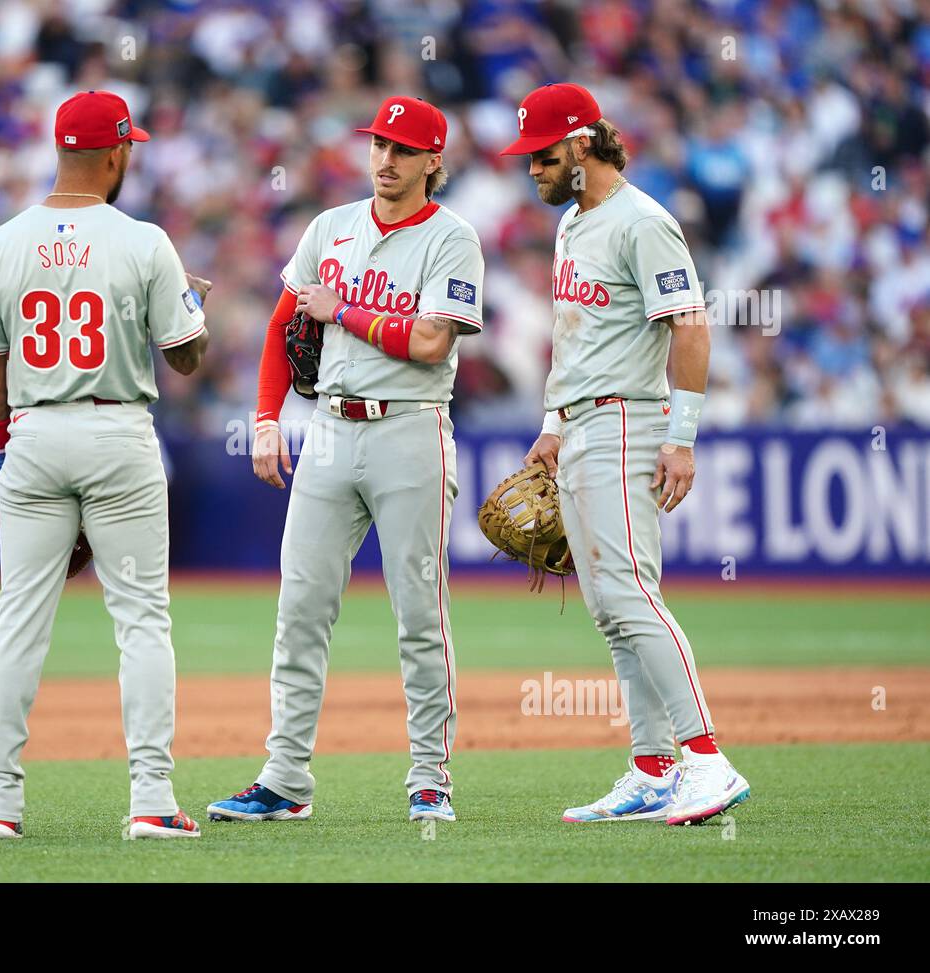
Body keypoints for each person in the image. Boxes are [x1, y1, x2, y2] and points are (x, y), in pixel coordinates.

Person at [207, 96, 484, 825]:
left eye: (403, 149)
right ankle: (284, 778)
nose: (385, 159)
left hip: (410, 429)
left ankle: (430, 778)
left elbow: (431, 343)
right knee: (300, 608)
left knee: (419, 612)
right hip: (329, 427)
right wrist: (266, 419)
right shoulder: (330, 227)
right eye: (379, 144)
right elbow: (281, 328)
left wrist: (346, 313)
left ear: (432, 161)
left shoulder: (452, 238)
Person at [0, 90, 210, 841]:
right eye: (130, 148)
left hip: (33, 434)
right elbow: (186, 358)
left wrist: (3, 449)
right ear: (117, 152)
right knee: (142, 619)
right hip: (116, 430)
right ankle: (151, 800)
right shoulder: (144, 240)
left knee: (17, 622)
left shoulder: (1, 241)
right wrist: (190, 303)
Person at [500, 82, 750, 825]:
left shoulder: (643, 221)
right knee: (610, 608)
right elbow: (577, 336)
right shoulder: (572, 222)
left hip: (625, 422)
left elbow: (690, 326)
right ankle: (653, 766)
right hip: (580, 423)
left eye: (543, 156)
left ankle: (707, 758)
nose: (533, 169)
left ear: (582, 144)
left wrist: (681, 437)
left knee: (633, 595)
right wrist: (553, 421)